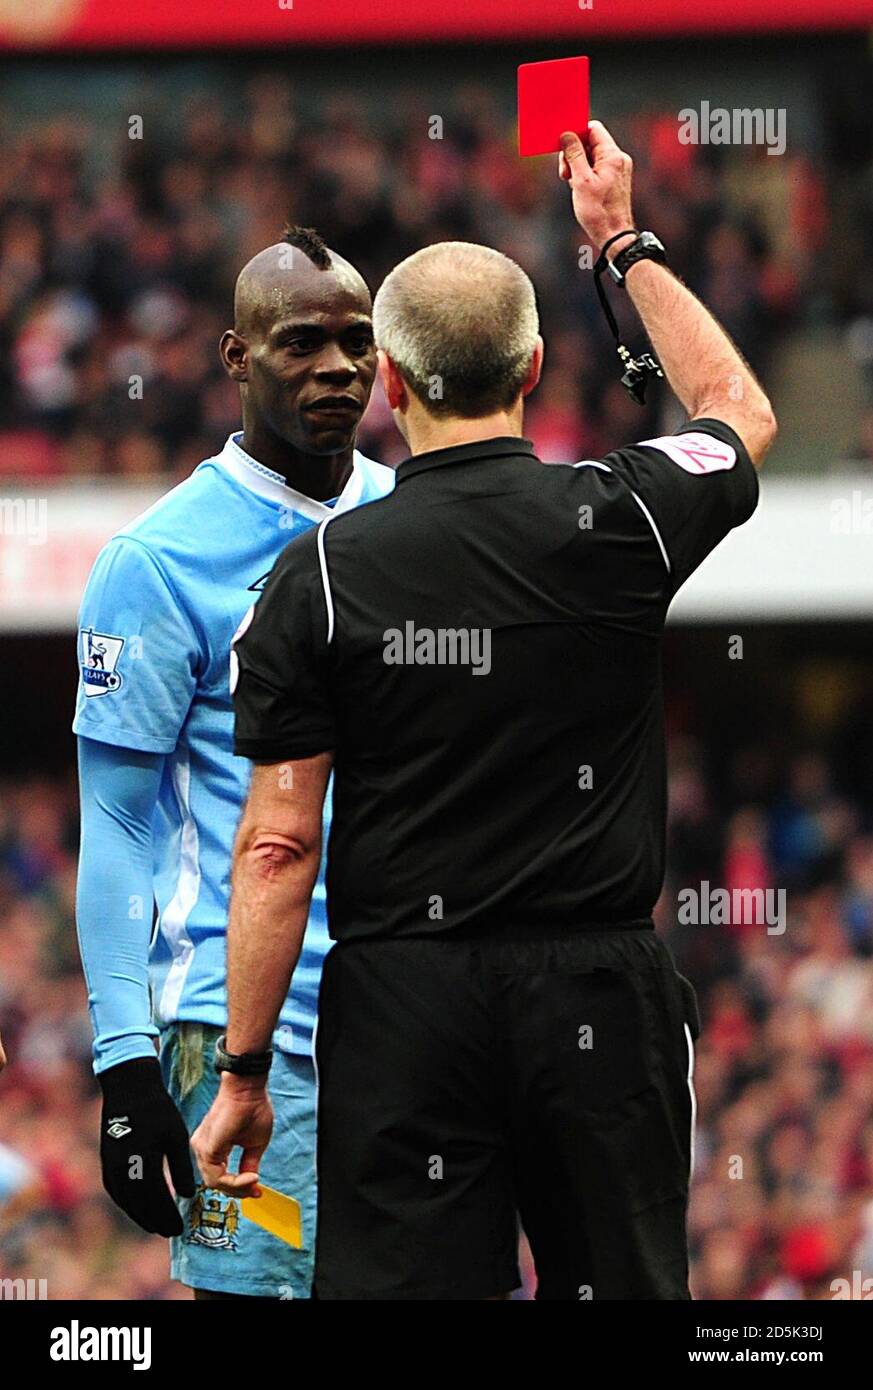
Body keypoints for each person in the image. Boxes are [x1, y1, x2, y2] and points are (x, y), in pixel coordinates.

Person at [192, 122, 777, 1300]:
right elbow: (736, 407)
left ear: (391, 385)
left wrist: (243, 1070)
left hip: (405, 1011)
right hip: (598, 994)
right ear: (533, 367)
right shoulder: (625, 516)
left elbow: (276, 847)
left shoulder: (320, 575)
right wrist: (622, 243)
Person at [74, 225, 393, 1299]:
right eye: (302, 342)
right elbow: (117, 823)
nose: (338, 366)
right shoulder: (157, 561)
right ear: (237, 357)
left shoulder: (409, 520)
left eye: (357, 341)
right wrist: (126, 1063)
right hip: (242, 1037)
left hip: (413, 1017)